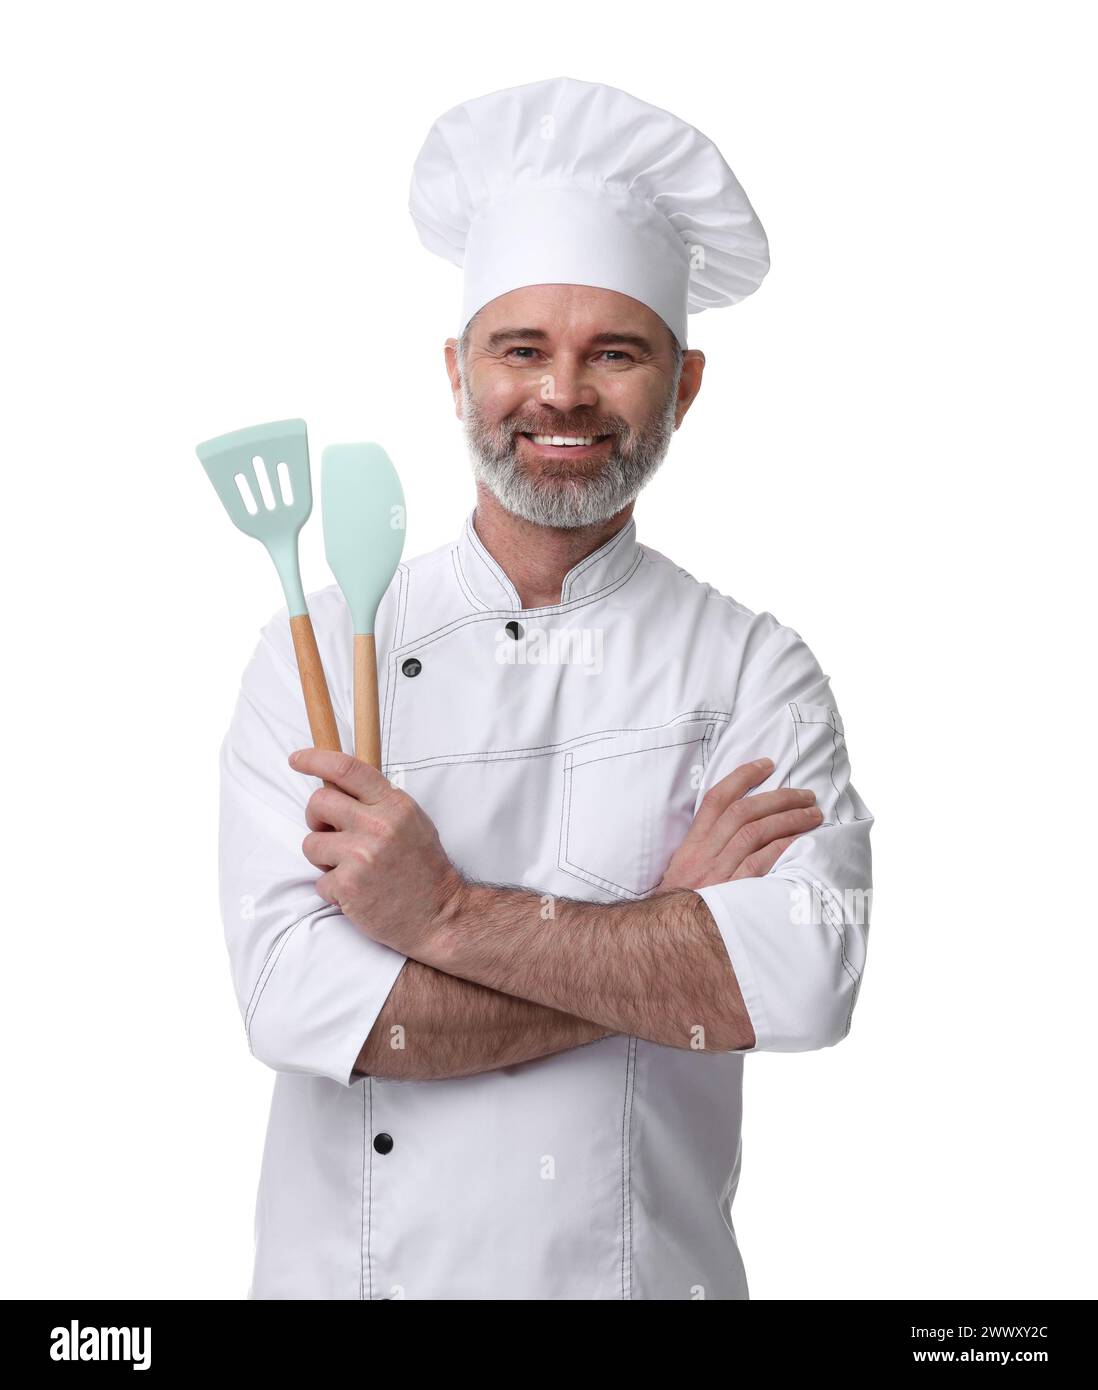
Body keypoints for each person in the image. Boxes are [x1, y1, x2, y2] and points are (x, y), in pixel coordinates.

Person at [217, 76, 873, 1301]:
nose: (561, 394)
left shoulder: (750, 668)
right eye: (522, 349)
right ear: (458, 375)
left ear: (680, 389)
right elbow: (302, 1007)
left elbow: (800, 980)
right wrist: (659, 938)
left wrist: (445, 915)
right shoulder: (314, 650)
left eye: (613, 353)